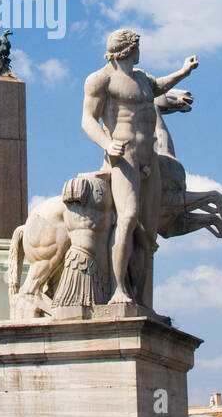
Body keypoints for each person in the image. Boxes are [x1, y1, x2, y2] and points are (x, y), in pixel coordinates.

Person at [82, 29, 198, 306]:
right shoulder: (101, 79)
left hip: (150, 159)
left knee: (148, 231)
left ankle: (145, 300)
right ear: (128, 49)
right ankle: (118, 290)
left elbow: (159, 87)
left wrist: (183, 72)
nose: (139, 50)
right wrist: (106, 143)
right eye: (137, 45)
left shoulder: (141, 78)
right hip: (125, 158)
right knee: (129, 217)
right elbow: (87, 119)